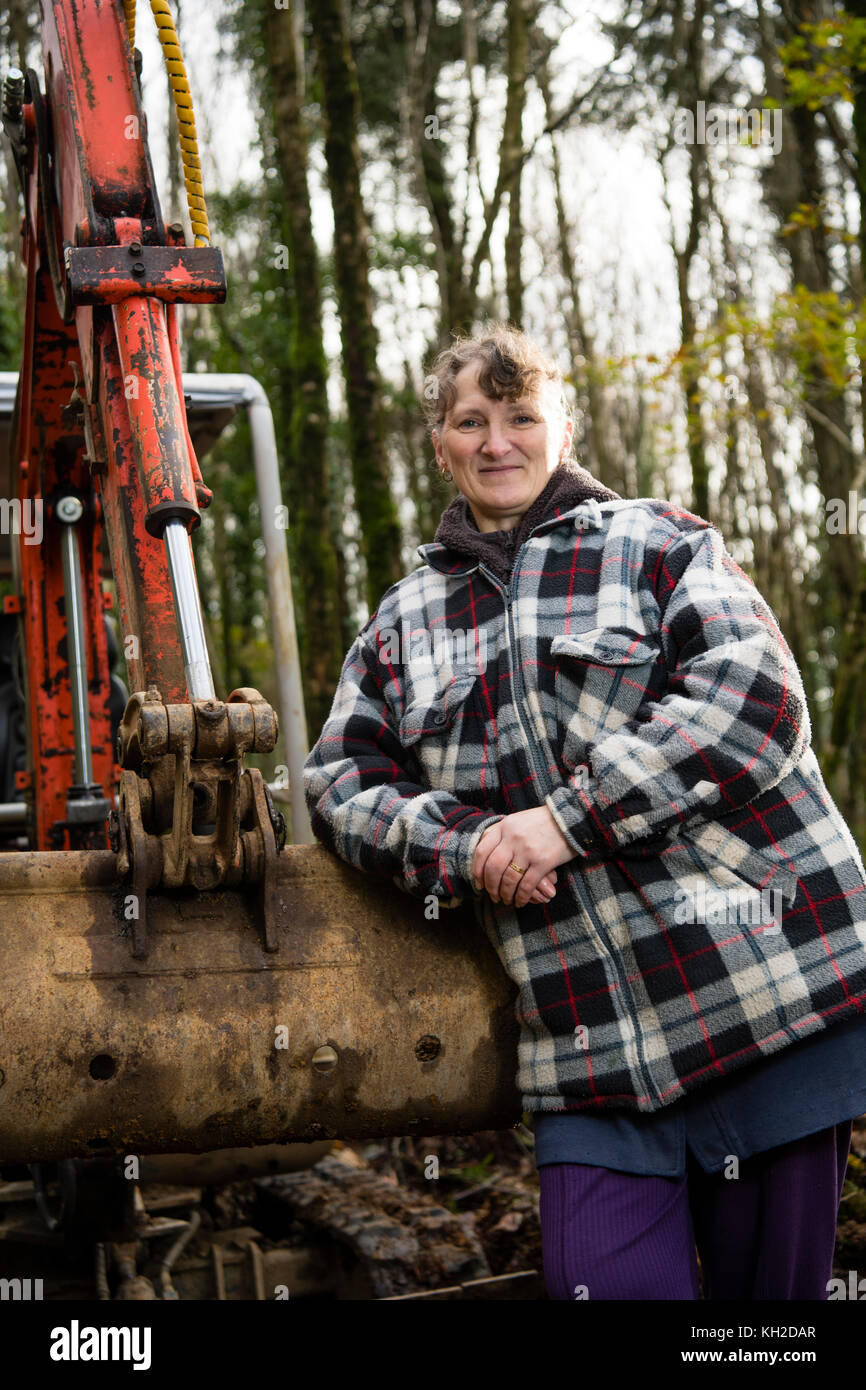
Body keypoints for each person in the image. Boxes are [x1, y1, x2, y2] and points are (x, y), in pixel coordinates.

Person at [303, 323, 866, 1300]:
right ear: (439, 441)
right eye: (470, 420)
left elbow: (755, 702)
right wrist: (468, 842)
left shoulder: (657, 543)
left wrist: (563, 822)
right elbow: (337, 784)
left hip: (762, 1003)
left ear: (561, 426)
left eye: (520, 415)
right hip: (586, 1054)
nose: (495, 442)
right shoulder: (400, 623)